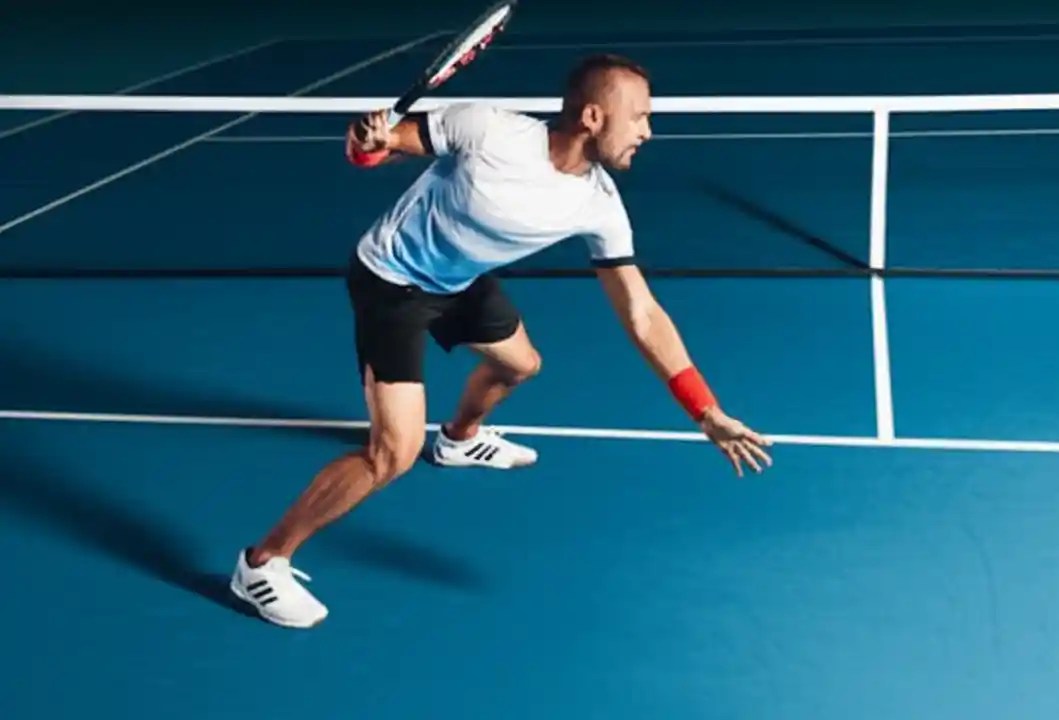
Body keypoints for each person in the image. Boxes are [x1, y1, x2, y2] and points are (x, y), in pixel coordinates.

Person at [229, 53, 773, 629]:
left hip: (458, 279)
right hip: (391, 280)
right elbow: (378, 149)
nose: (647, 130)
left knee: (520, 365)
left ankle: (459, 439)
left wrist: (704, 410)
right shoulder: (488, 129)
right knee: (393, 455)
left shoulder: (599, 204)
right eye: (638, 115)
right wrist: (367, 142)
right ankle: (262, 563)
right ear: (592, 115)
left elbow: (641, 312)